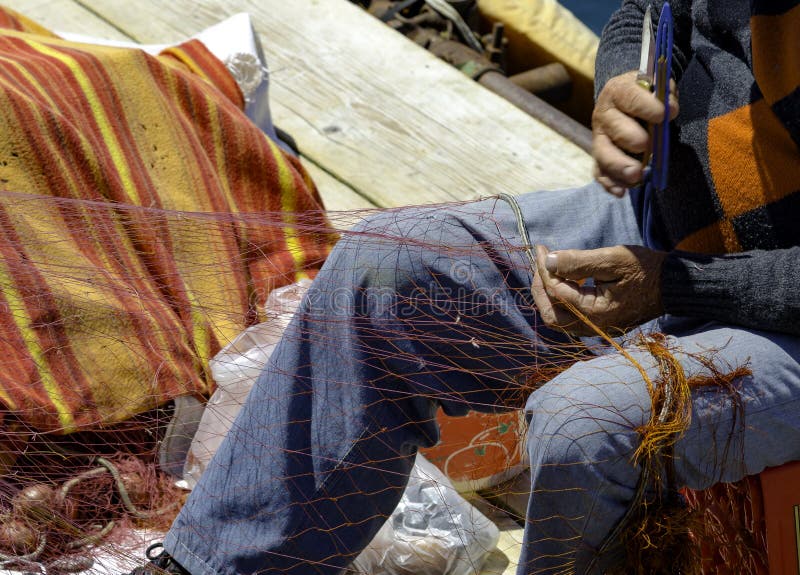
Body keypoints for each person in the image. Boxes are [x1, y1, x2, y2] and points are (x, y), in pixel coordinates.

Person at [133, 0, 800, 573]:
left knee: (584, 425)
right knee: (384, 270)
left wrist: (678, 290)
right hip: (661, 229)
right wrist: (622, 78)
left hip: (776, 315)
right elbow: (647, 15)